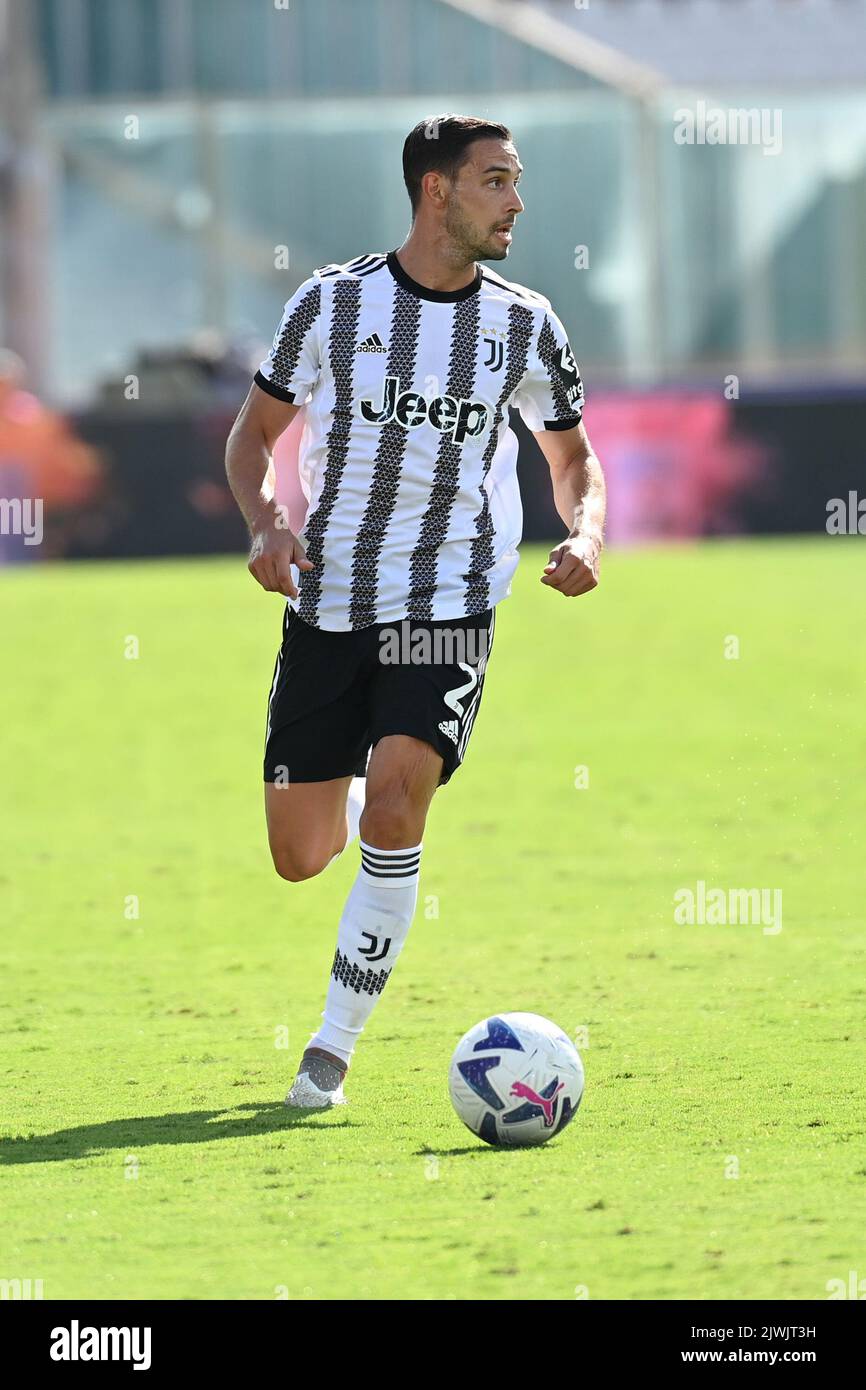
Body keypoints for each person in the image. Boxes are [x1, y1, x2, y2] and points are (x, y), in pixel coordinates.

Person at [225, 115, 606, 1109]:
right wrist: (267, 524)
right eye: (495, 181)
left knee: (400, 798)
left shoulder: (525, 322)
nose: (516, 202)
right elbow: (250, 438)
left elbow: (571, 461)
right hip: (329, 604)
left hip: (449, 601)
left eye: (516, 180)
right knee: (300, 856)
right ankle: (349, 802)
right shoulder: (330, 304)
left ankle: (330, 1048)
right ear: (435, 191)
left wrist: (587, 530)